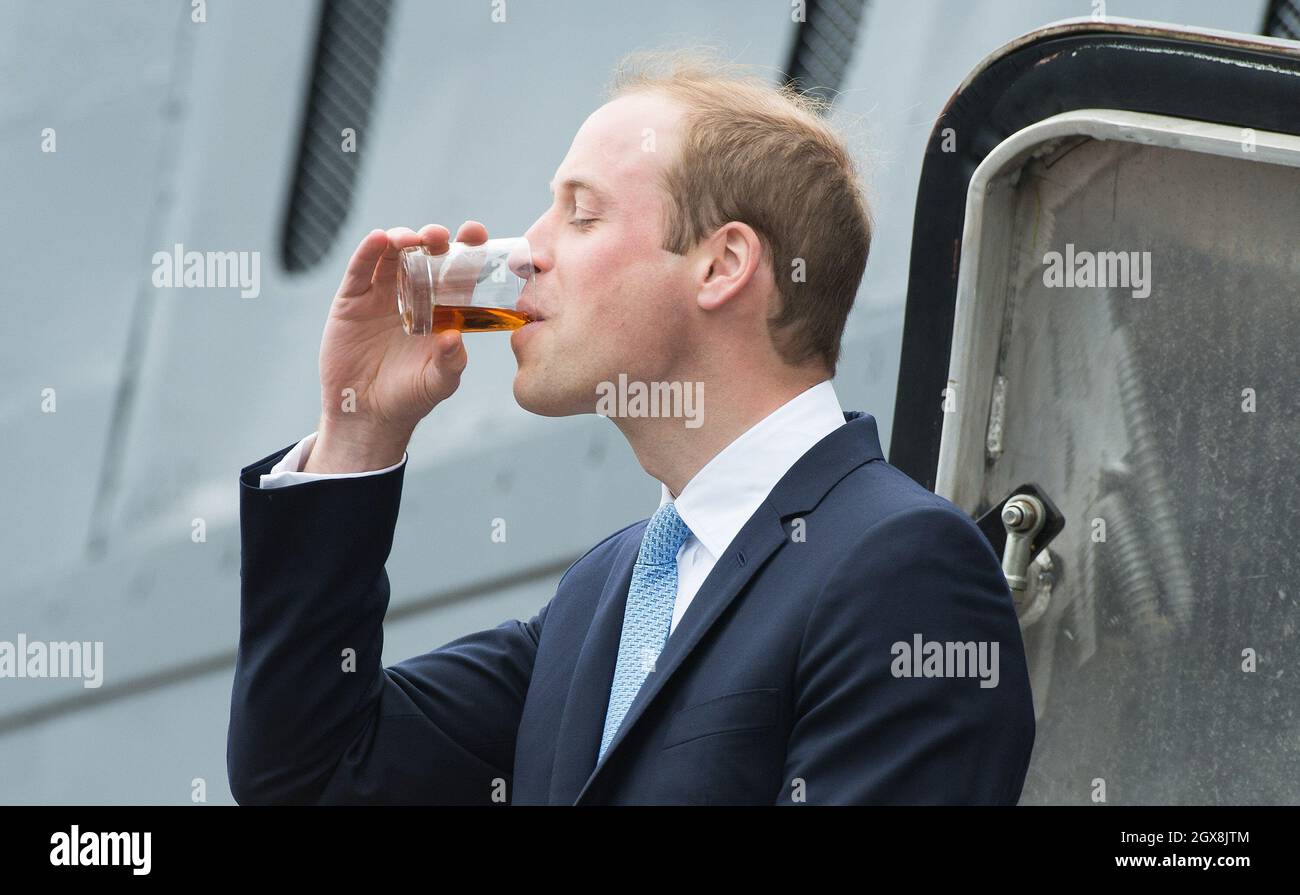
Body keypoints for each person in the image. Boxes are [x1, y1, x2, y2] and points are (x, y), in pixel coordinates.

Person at [227, 49, 1035, 805]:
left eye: (580, 215)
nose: (527, 250)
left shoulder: (902, 567)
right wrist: (356, 430)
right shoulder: (600, 597)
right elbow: (311, 771)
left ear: (723, 266)